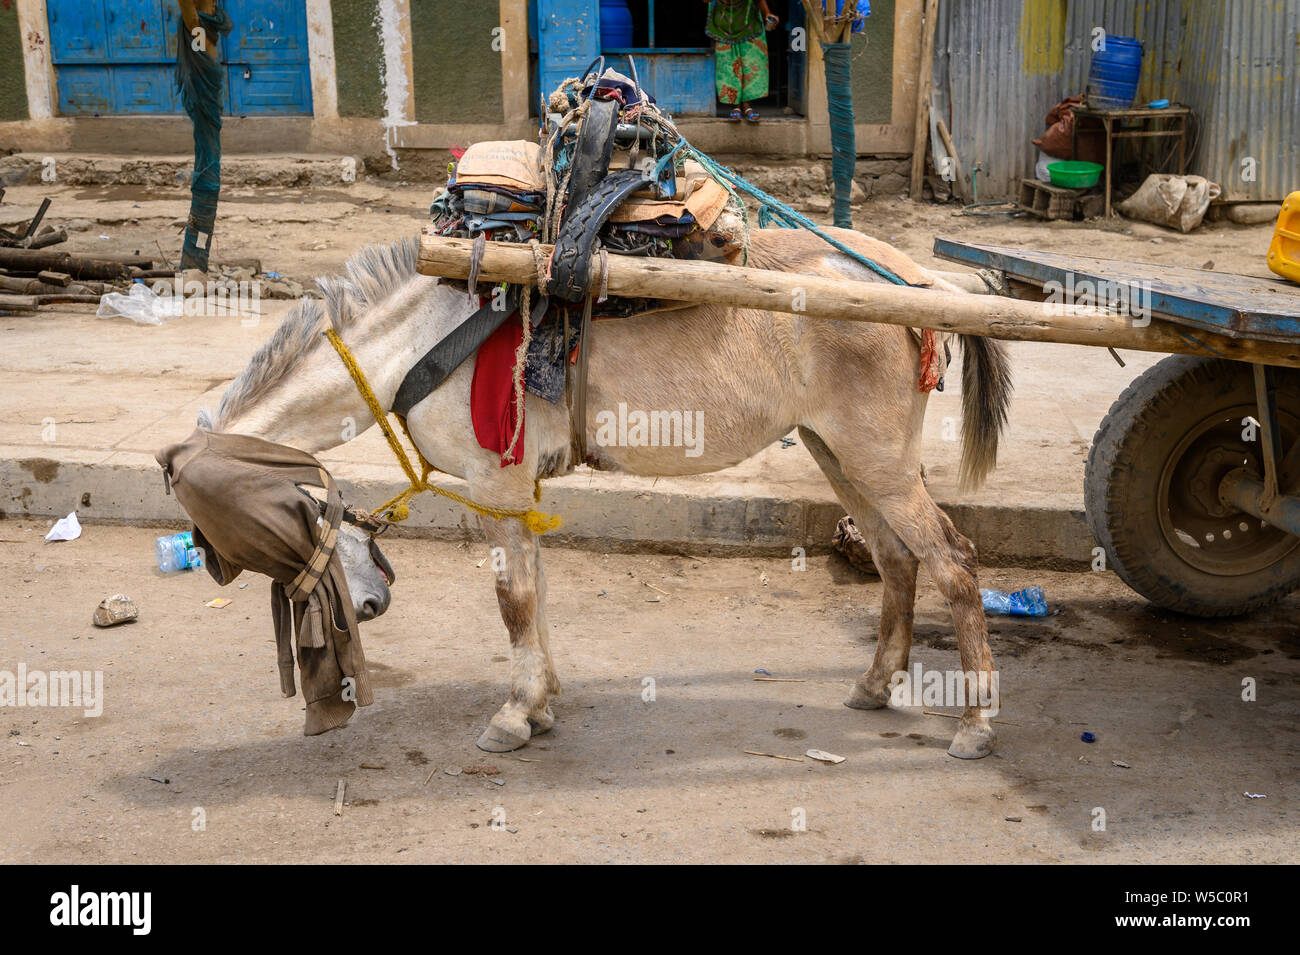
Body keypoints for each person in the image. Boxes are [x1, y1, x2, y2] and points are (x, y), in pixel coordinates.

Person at [703, 0, 779, 123]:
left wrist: (767, 13)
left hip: (748, 24)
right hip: (723, 27)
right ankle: (735, 106)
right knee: (728, 67)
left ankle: (746, 106)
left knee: (750, 65)